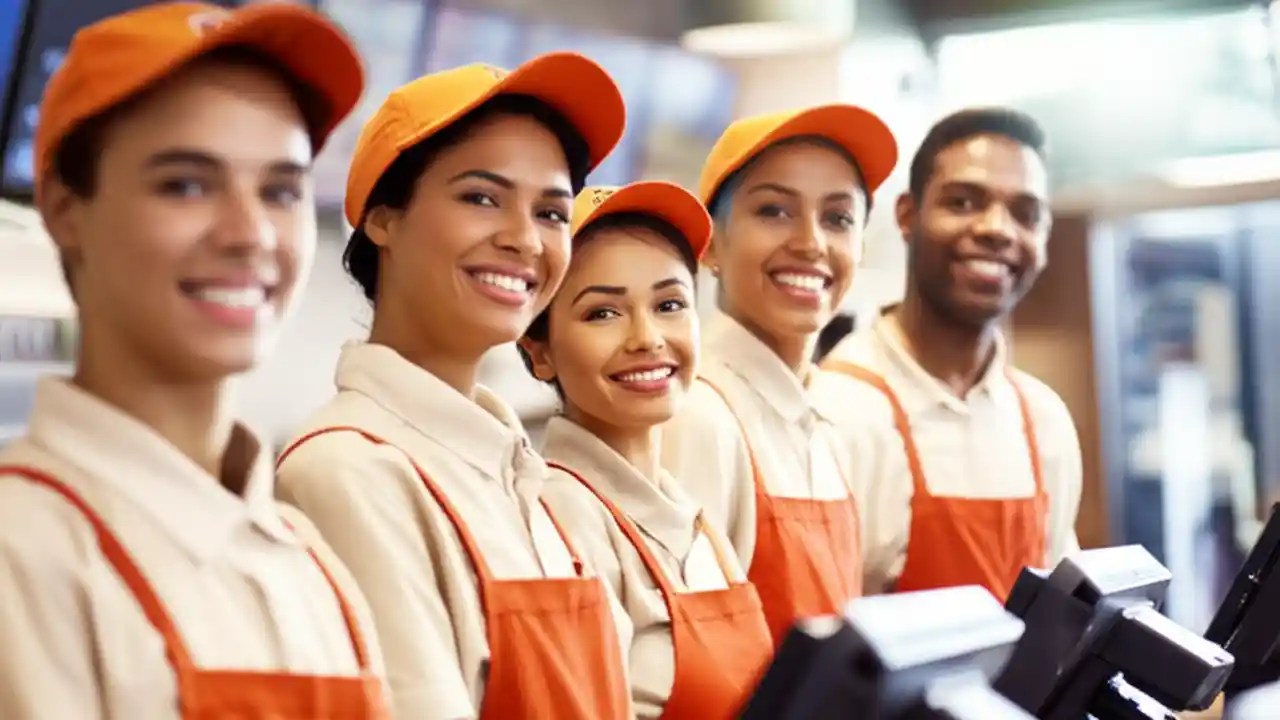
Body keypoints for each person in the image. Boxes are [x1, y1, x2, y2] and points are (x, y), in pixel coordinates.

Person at [0, 3, 385, 718]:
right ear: (62, 207)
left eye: (280, 190)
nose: (250, 234)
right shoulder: (23, 554)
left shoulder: (310, 559)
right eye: (186, 183)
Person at [273, 55, 632, 720]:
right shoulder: (347, 470)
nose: (524, 239)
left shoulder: (520, 473)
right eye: (481, 198)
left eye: (552, 213)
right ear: (383, 218)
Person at [521, 182, 773, 719]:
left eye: (669, 304)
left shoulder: (692, 515)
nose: (647, 337)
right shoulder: (559, 518)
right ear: (539, 350)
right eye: (603, 314)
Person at [814, 107, 1083, 602]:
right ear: (907, 215)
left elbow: (1063, 617)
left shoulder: (1043, 420)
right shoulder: (834, 411)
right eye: (962, 202)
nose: (996, 229)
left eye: (1025, 214)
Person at [661, 105, 900, 645]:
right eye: (774, 210)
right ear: (711, 243)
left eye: (838, 218)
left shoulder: (835, 422)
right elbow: (689, 654)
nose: (811, 242)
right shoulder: (695, 414)